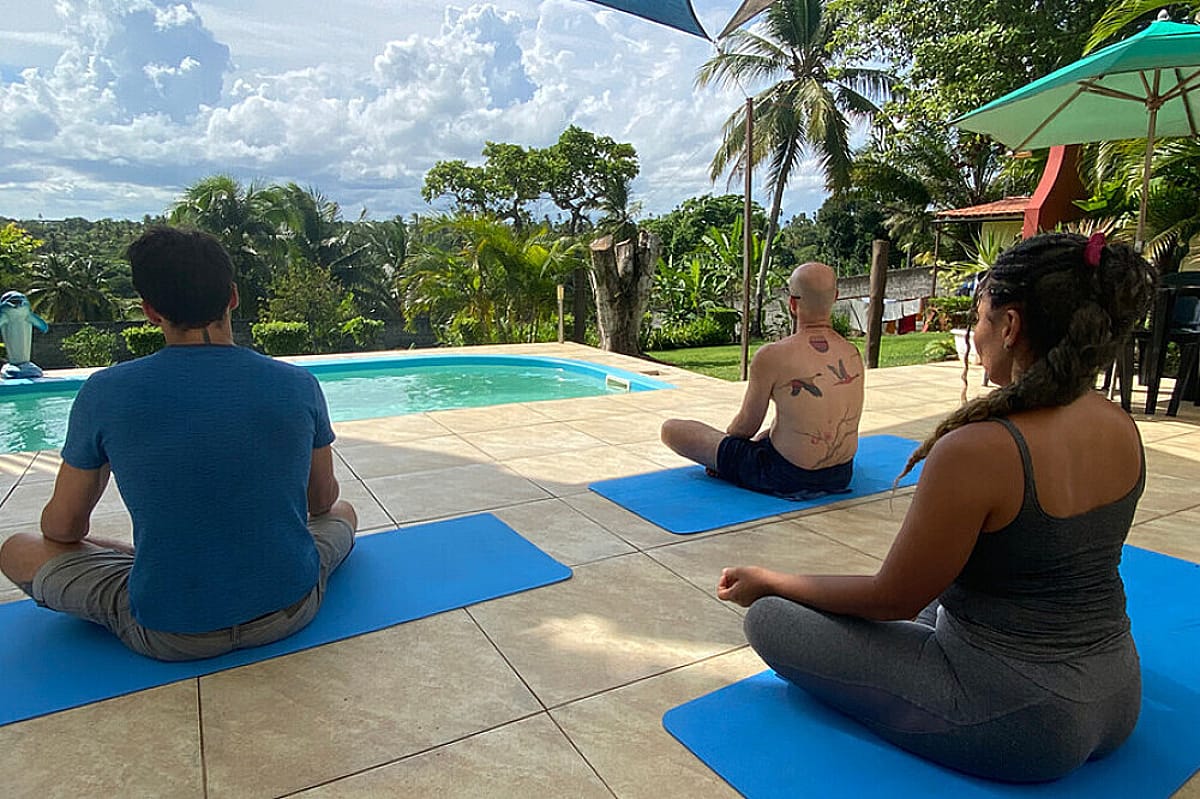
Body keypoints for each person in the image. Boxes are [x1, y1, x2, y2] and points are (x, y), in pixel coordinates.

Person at [717, 232, 1156, 782]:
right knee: (939, 598)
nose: (975, 333)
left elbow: (891, 599)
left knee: (770, 620)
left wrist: (771, 579)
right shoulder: (1120, 424)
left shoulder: (981, 448)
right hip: (1119, 691)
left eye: (980, 317)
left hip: (1026, 721)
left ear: (1011, 326)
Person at [0, 227, 358, 661]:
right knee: (344, 512)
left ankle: (155, 559)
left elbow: (62, 529)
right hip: (291, 609)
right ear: (232, 296)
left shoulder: (106, 392)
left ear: (150, 310)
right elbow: (322, 502)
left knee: (18, 548)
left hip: (169, 631)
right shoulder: (298, 384)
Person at [660, 262, 864, 499]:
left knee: (671, 430)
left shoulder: (772, 355)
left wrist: (727, 452)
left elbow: (745, 427)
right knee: (780, 428)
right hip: (840, 474)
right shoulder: (852, 353)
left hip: (786, 475)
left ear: (793, 303)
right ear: (835, 298)